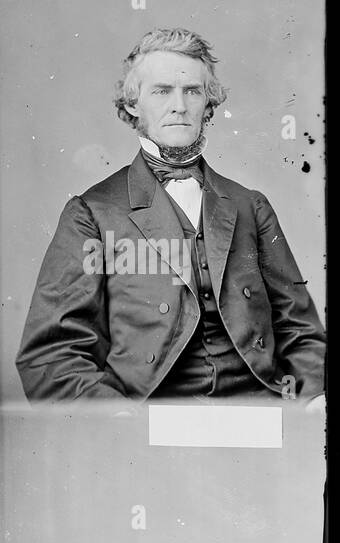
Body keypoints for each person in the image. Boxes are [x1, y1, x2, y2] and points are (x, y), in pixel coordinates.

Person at [17, 29, 326, 405]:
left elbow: (301, 332)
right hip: (147, 427)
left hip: (256, 414)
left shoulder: (250, 206)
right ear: (133, 105)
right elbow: (51, 353)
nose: (179, 105)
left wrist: (310, 402)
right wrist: (115, 420)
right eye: (161, 91)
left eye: (192, 91)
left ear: (208, 105)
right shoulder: (93, 213)